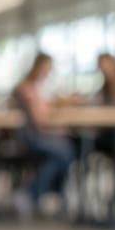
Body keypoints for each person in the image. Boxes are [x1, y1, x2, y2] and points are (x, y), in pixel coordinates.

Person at [13, 53, 75, 217]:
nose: (49, 72)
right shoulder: (27, 89)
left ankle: (45, 195)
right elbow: (40, 121)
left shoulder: (35, 89)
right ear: (38, 67)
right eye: (47, 68)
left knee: (63, 152)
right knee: (65, 152)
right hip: (32, 139)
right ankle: (41, 194)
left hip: (37, 136)